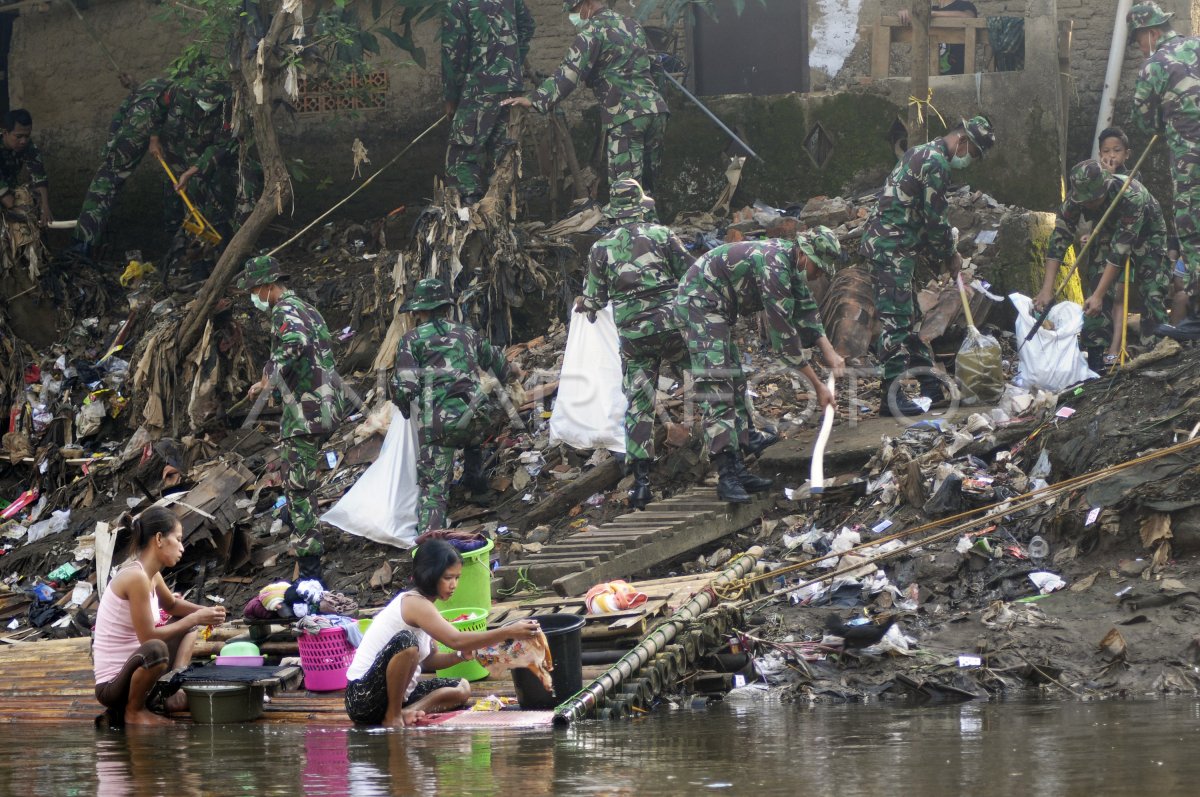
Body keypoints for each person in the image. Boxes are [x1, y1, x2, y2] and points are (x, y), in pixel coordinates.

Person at [675, 227, 845, 503]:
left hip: (718, 307)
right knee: (718, 383)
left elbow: (806, 311)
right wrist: (817, 386)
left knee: (736, 380)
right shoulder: (774, 266)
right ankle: (728, 473)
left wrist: (830, 353)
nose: (819, 275)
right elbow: (784, 338)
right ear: (804, 254)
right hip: (698, 302)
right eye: (818, 267)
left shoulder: (790, 263)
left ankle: (743, 454)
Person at [860, 115, 996, 417]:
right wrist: (951, 256)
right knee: (896, 320)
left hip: (896, 245)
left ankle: (929, 385)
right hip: (890, 247)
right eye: (972, 153)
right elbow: (936, 220)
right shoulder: (936, 163)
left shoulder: (922, 152)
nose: (970, 161)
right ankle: (890, 397)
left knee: (907, 314)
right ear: (962, 141)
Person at [577, 178, 692, 509]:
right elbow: (691, 273)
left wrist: (585, 303)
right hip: (672, 326)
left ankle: (641, 483)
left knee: (639, 403)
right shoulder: (662, 234)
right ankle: (729, 454)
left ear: (615, 212)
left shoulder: (600, 248)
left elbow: (595, 300)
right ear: (642, 206)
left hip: (634, 338)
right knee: (708, 379)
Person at [344, 539, 541, 727]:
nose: (454, 584)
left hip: (397, 695)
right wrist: (509, 631)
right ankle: (393, 718)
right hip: (363, 697)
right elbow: (455, 639)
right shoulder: (414, 603)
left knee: (462, 688)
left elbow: (428, 661)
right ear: (430, 574)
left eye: (457, 578)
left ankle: (408, 711)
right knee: (406, 642)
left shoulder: (428, 606)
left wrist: (458, 657)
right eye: (448, 578)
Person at [241, 255, 348, 576]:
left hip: (306, 412)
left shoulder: (284, 310)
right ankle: (295, 520)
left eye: (255, 290)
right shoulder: (308, 309)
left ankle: (311, 566)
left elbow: (294, 342)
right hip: (328, 405)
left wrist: (267, 379)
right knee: (301, 476)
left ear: (269, 286)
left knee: (298, 486)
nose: (254, 297)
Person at [501, 0, 669, 200]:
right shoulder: (632, 25)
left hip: (627, 117)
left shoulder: (592, 30)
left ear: (587, 5)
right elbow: (657, 67)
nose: (573, 16)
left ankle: (632, 228)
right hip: (656, 113)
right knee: (647, 191)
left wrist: (534, 99)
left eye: (574, 10)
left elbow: (569, 74)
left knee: (627, 193)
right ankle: (650, 228)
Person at [394, 278, 519, 532]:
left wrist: (405, 409)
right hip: (476, 416)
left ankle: (431, 542)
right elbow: (501, 366)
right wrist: (512, 378)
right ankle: (479, 489)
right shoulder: (468, 334)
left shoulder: (411, 340)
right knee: (472, 438)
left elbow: (405, 388)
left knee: (433, 488)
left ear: (421, 310)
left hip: (439, 426)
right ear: (445, 307)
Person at [93, 506, 227, 727]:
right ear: (159, 539)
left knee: (187, 628)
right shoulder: (135, 577)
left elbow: (172, 604)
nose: (182, 547)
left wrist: (206, 613)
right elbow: (148, 637)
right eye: (178, 539)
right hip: (113, 686)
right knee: (156, 648)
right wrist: (195, 618)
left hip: (139, 673)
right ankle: (134, 711)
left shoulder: (152, 574)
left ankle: (173, 689)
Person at [1037, 160, 1171, 371]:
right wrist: (1046, 290)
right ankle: (1098, 354)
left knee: (1152, 292)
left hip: (1148, 234)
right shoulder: (1076, 198)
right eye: (1085, 201)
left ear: (1105, 188)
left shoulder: (1130, 196)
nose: (1088, 205)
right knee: (1097, 287)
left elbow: (1120, 252)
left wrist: (1099, 295)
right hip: (1109, 230)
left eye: (1093, 200)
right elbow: (1059, 239)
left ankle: (1156, 353)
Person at [1128, 2, 1200, 320]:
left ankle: (1197, 314)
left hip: (1190, 160)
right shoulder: (1198, 45)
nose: (1140, 50)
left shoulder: (1154, 64)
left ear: (1152, 33)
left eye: (1140, 42)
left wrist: (1163, 119)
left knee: (1191, 227)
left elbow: (1142, 122)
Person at [68, 77, 186, 258]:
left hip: (148, 106)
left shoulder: (172, 88)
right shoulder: (174, 99)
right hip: (143, 114)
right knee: (107, 179)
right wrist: (153, 139)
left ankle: (179, 243)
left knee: (178, 173)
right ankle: (83, 244)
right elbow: (155, 109)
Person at [442, 0, 535, 204]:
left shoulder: (458, 3)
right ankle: (503, 215)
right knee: (503, 155)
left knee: (461, 157)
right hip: (511, 88)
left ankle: (470, 216)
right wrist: (511, 62)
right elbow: (527, 25)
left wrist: (451, 96)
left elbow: (454, 52)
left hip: (479, 88)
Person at [0, 109, 52, 227]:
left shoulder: (28, 146)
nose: (23, 141)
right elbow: (7, 199)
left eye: (27, 136)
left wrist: (44, 206)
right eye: (18, 136)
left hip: (9, 186)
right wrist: (15, 207)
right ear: (5, 133)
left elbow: (39, 176)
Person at [899, 1, 979, 76]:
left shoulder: (964, 5)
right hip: (930, 78)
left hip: (958, 77)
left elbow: (969, 17)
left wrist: (933, 14)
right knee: (930, 90)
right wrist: (905, 13)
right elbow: (912, 15)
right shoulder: (931, 9)